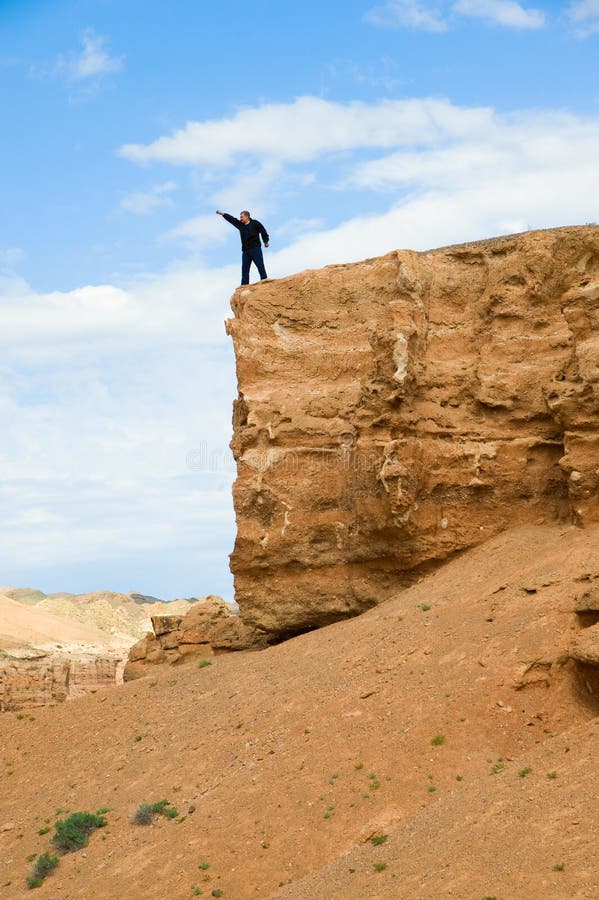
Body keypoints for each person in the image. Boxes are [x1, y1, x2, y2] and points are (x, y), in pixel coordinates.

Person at [216, 209, 270, 285]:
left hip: (255, 249)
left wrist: (266, 241)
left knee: (260, 265)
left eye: (242, 217)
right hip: (246, 251)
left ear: (247, 216)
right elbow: (232, 219)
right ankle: (244, 286)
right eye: (240, 217)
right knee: (245, 270)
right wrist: (223, 214)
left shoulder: (255, 223)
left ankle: (264, 280)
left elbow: (263, 231)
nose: (240, 218)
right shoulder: (240, 225)